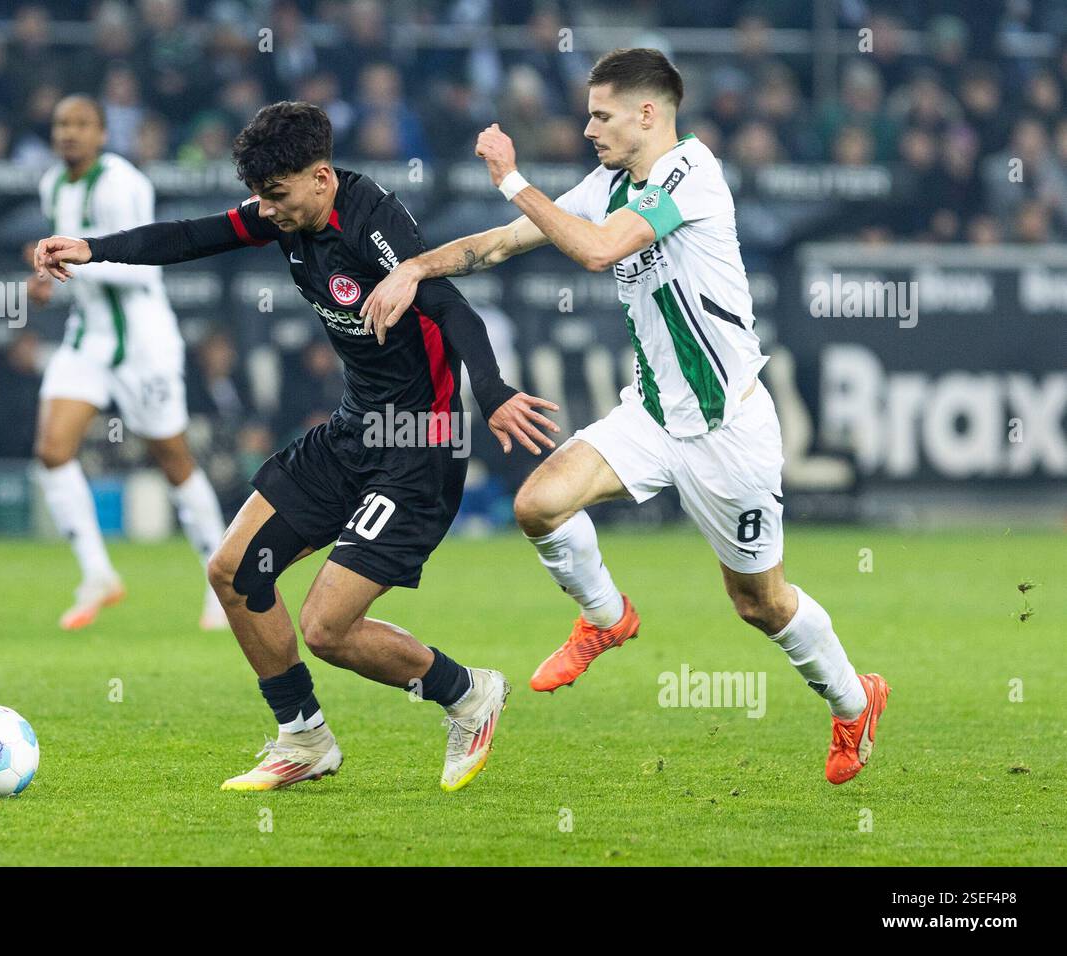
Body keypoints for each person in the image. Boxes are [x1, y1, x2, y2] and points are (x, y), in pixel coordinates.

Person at [361, 49, 889, 786]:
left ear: (649, 113)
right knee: (539, 505)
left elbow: (600, 249)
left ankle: (853, 700)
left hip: (725, 430)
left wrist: (513, 178)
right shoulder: (609, 183)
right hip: (649, 416)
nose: (587, 128)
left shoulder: (691, 174)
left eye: (601, 114)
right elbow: (504, 242)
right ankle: (607, 617)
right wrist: (414, 267)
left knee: (758, 603)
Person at [34, 101, 559, 792]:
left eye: (276, 196)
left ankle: (468, 694)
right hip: (351, 431)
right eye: (260, 196)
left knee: (328, 627)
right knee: (232, 571)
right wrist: (93, 248)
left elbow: (452, 307)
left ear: (320, 177)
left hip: (416, 447)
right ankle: (304, 738)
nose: (266, 210)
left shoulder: (375, 224)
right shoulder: (284, 209)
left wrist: (490, 394)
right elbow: (192, 237)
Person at [27, 94, 229, 632]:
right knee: (51, 449)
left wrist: (77, 257)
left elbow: (144, 267)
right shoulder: (52, 185)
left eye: (80, 123)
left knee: (173, 459)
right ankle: (97, 573)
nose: (68, 132)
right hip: (88, 338)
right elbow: (69, 269)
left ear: (101, 133)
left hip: (143, 341)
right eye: (61, 123)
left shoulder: (124, 183)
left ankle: (224, 583)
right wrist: (47, 280)